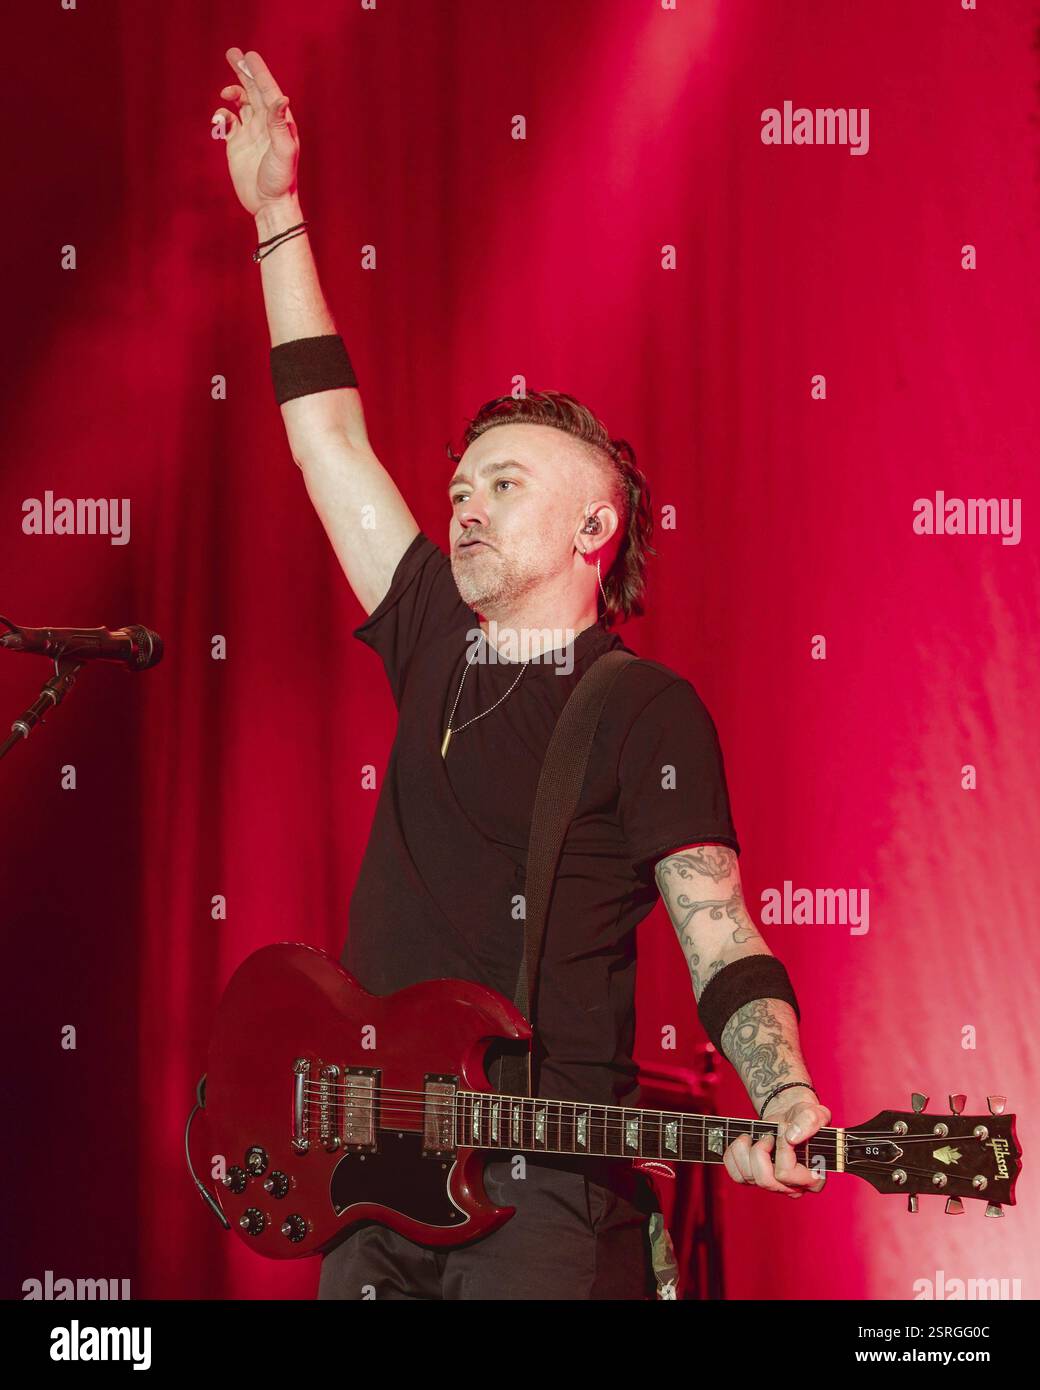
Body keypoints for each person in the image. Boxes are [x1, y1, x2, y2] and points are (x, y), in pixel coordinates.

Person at [211, 46, 831, 1301]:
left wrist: (785, 1091)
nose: (465, 507)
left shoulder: (643, 710)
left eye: (504, 485)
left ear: (592, 530)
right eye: (459, 488)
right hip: (372, 1167)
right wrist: (278, 213)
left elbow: (717, 936)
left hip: (542, 1188)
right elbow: (323, 431)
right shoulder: (432, 621)